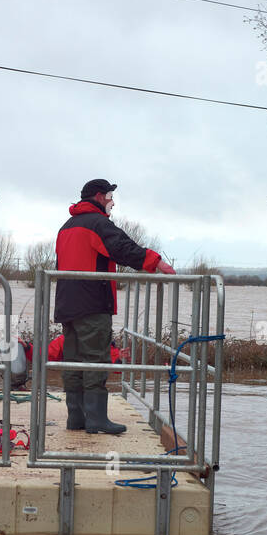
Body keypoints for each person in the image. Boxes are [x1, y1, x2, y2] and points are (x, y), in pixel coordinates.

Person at [54, 178, 175, 434]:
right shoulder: (98, 223)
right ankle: (97, 419)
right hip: (93, 304)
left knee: (73, 360)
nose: (112, 202)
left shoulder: (66, 227)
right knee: (96, 360)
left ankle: (75, 418)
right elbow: (123, 248)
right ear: (99, 197)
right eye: (110, 196)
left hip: (67, 304)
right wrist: (156, 263)